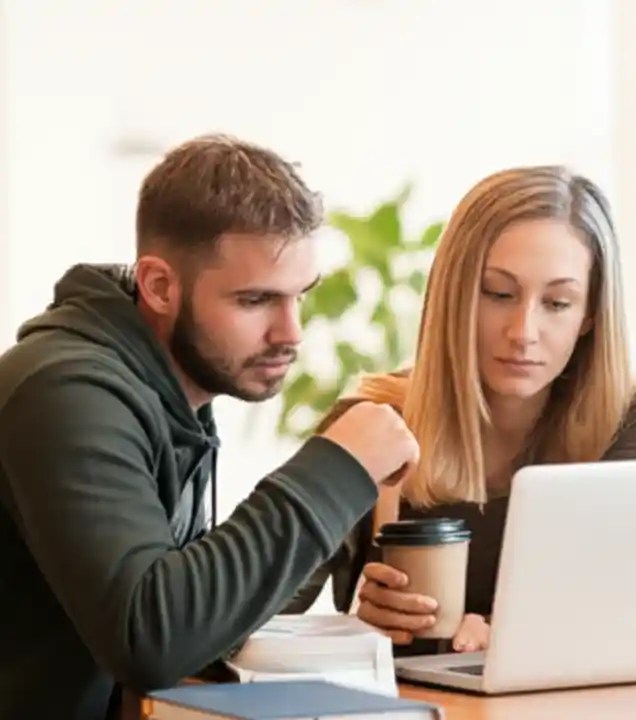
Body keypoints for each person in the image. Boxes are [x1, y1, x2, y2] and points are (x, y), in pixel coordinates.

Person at [0, 134, 419, 719]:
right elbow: (152, 639)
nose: (291, 331)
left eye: (300, 296)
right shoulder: (65, 392)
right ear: (160, 286)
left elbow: (200, 619)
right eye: (255, 300)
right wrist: (334, 471)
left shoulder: (174, 389)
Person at [287, 166, 636, 652]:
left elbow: (629, 602)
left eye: (557, 303)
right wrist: (358, 629)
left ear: (590, 315)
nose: (523, 331)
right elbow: (252, 609)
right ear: (455, 295)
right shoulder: (373, 425)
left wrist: (514, 631)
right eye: (498, 293)